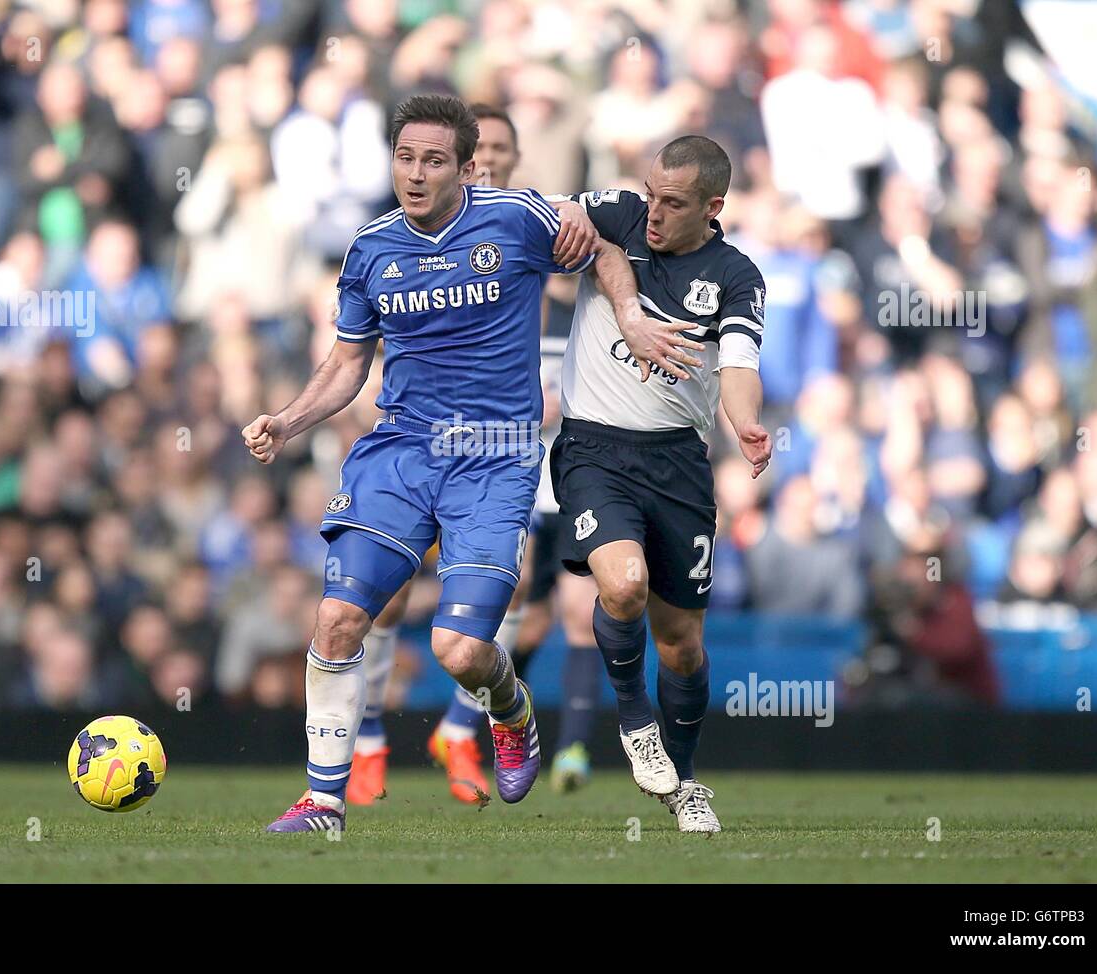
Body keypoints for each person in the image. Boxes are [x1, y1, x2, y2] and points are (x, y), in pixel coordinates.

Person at [242, 95, 695, 832]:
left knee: (459, 650)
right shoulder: (371, 248)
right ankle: (323, 802)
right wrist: (289, 420)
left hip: (494, 460)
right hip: (400, 450)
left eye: (433, 160)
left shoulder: (515, 220)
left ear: (465, 166)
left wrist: (633, 317)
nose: (415, 174)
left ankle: (509, 708)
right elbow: (350, 358)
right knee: (336, 620)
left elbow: (607, 252)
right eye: (404, 158)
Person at [346, 104, 602, 806]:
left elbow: (603, 245)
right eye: (476, 147)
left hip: (531, 459)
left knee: (529, 602)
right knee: (388, 593)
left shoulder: (534, 234)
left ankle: (468, 724)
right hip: (426, 449)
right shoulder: (399, 241)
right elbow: (361, 349)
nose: (484, 159)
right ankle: (368, 737)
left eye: (497, 149)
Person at [550, 136, 772, 833]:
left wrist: (747, 425)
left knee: (681, 644)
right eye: (652, 193)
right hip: (594, 448)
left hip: (678, 461)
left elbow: (737, 362)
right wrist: (566, 215)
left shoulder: (736, 275)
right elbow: (549, 212)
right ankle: (634, 721)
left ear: (712, 207)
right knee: (621, 584)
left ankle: (685, 781)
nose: (654, 212)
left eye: (672, 203)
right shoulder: (618, 213)